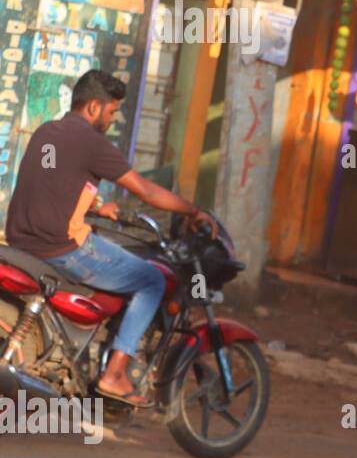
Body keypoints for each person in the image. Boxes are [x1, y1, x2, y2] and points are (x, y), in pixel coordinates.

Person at [4, 70, 214, 407]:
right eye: (112, 111)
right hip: (60, 248)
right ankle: (115, 373)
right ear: (92, 108)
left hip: (22, 240)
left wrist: (97, 207)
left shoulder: (47, 131)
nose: (112, 119)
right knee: (150, 281)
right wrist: (192, 211)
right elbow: (145, 190)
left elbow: (53, 180)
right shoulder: (92, 143)